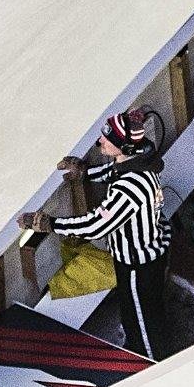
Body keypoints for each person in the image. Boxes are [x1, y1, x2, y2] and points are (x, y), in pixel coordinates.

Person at [25, 109, 180, 357]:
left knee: (141, 319)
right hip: (146, 257)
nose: (100, 141)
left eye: (108, 139)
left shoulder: (130, 189)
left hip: (137, 267)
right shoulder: (137, 163)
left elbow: (95, 226)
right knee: (142, 311)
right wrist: (84, 173)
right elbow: (111, 173)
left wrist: (49, 224)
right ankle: (142, 346)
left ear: (124, 147)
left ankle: (152, 361)